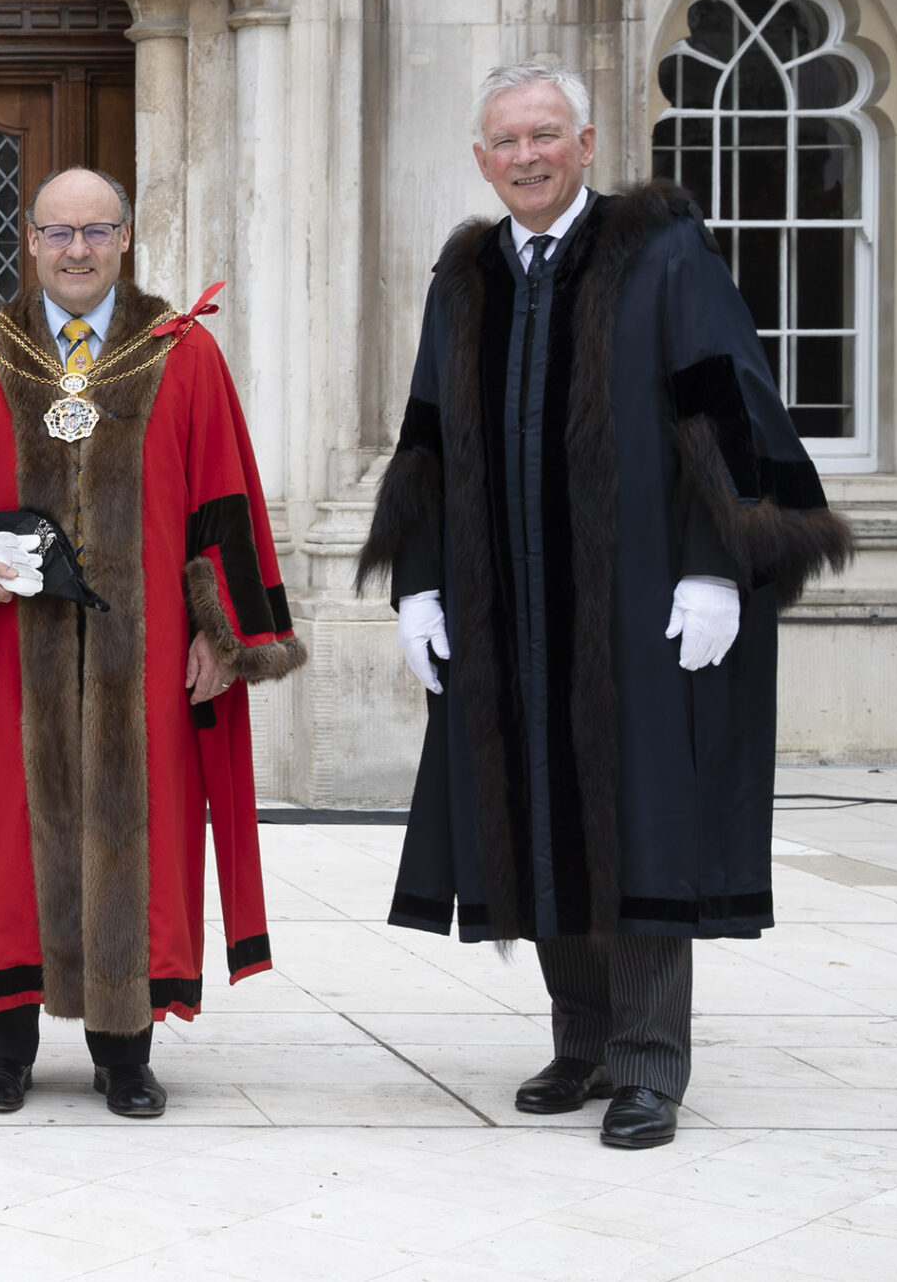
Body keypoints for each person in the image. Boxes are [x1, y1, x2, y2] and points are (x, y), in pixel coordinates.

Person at [361, 61, 853, 1149]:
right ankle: (580, 1038)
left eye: (545, 134)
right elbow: (427, 441)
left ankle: (646, 1063)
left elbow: (725, 404)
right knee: (531, 811)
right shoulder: (468, 276)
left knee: (635, 823)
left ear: (586, 145)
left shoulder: (658, 254)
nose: (525, 156)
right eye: (505, 141)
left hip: (635, 601)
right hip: (503, 610)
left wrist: (719, 564)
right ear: (482, 160)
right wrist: (420, 582)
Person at [0, 167, 304, 1117]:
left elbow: (224, 499)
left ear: (126, 239)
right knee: (0, 835)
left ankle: (124, 1054)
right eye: (58, 234)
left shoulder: (180, 356)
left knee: (137, 832)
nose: (77, 250)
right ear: (29, 242)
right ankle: (4, 1051)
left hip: (138, 657)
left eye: (96, 232)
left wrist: (221, 636)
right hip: (3, 657)